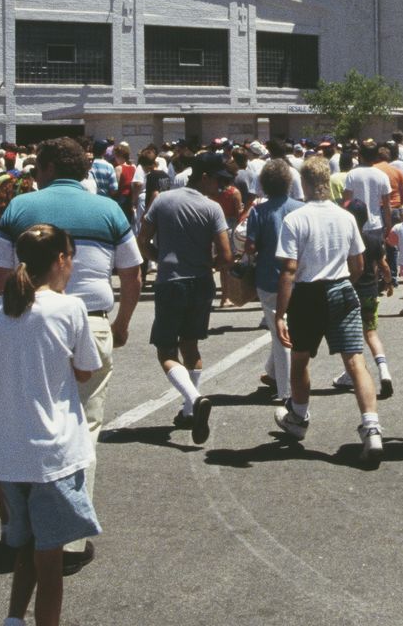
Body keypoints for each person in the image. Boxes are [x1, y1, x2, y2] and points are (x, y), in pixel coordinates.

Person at [0, 138, 138, 570]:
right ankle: (69, 536)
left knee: (19, 414)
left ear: (47, 166)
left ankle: (18, 528)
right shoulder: (108, 209)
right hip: (89, 319)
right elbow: (132, 274)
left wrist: (2, 321)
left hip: (23, 317)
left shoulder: (20, 207)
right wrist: (121, 323)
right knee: (85, 425)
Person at [0, 224, 101, 626]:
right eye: (70, 257)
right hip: (53, 451)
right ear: (60, 260)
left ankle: (13, 618)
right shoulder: (69, 308)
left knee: (24, 544)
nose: (72, 266)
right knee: (50, 560)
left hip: (6, 451)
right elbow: (86, 370)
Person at [272, 155, 384, 465]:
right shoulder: (345, 216)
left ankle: (298, 416)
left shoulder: (295, 219)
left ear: (304, 183)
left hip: (308, 293)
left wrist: (280, 313)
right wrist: (346, 282)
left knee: (300, 358)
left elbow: (289, 271)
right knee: (355, 361)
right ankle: (371, 426)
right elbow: (358, 263)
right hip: (342, 288)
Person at [137, 151, 232, 443]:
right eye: (219, 180)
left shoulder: (164, 200)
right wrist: (209, 266)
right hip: (201, 282)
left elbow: (142, 240)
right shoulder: (212, 208)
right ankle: (189, 409)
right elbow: (226, 255)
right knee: (191, 345)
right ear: (205, 177)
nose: (221, 186)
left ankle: (193, 398)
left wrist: (158, 257)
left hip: (171, 281)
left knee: (166, 350)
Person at [246, 159, 305, 397]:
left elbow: (250, 246)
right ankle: (272, 373)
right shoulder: (301, 209)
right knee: (285, 327)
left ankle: (287, 392)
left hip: (270, 277)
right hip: (300, 277)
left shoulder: (259, 212)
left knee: (281, 335)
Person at [332, 200, 396, 398]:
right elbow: (384, 266)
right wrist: (388, 282)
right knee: (371, 333)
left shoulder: (342, 240)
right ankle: (384, 370)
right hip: (370, 292)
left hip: (350, 291)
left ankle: (352, 374)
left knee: (350, 338)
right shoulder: (374, 239)